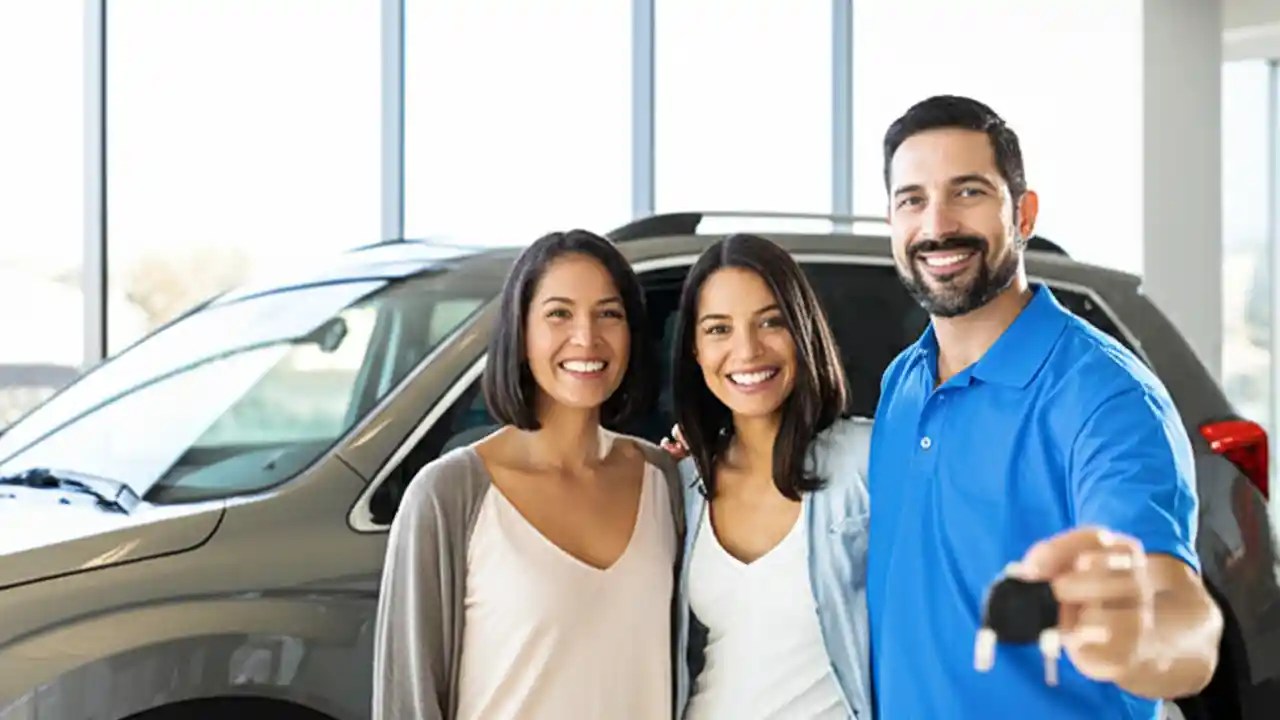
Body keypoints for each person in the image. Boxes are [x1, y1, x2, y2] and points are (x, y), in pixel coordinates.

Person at [867, 94, 1223, 718]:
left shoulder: (1106, 398)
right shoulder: (903, 381)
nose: (938, 224)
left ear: (1023, 214)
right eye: (912, 200)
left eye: (969, 192)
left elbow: (1177, 615)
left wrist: (1145, 637)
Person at [372, 229, 685, 720]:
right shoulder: (450, 494)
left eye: (609, 313)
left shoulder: (664, 480)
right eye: (559, 313)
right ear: (520, 334)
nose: (586, 336)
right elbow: (407, 703)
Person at [663, 233, 873, 720]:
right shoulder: (683, 484)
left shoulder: (867, 460)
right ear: (694, 349)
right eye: (718, 329)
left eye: (771, 322)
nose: (748, 350)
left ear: (803, 331)